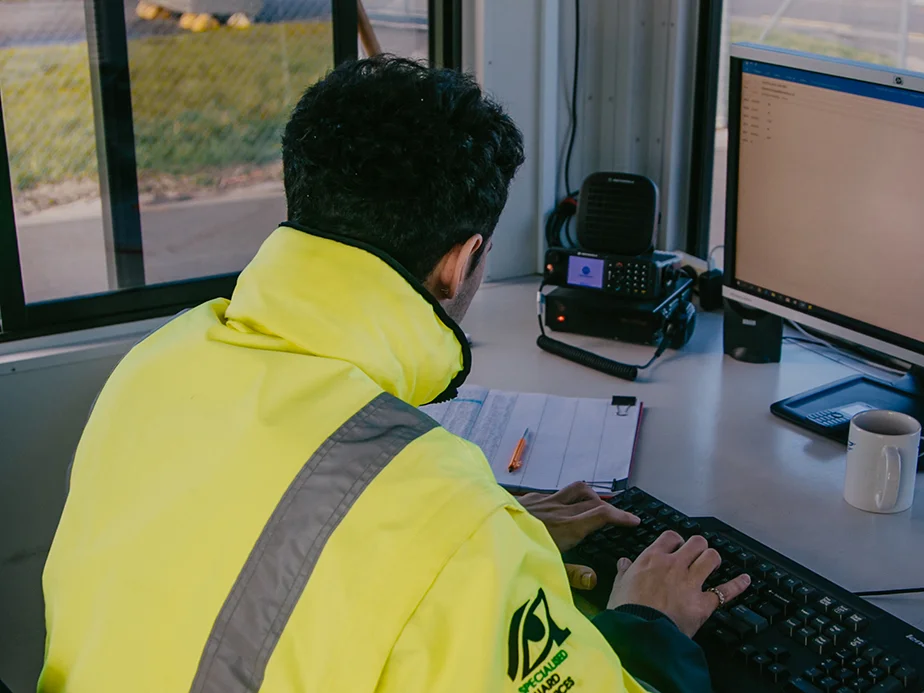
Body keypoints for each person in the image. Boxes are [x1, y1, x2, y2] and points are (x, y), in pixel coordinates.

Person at [38, 55, 749, 693]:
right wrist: (646, 622)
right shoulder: (433, 504)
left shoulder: (157, 363)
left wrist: (501, 545)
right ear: (460, 261)